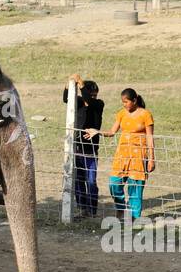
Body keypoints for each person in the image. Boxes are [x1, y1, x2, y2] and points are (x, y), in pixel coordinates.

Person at [86, 87, 154, 225]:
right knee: (114, 184)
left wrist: (152, 159)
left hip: (138, 156)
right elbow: (112, 132)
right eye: (123, 102)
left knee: (135, 187)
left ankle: (135, 218)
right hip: (121, 155)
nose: (124, 104)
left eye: (126, 101)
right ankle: (120, 207)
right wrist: (97, 132)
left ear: (134, 100)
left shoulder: (145, 115)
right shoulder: (121, 114)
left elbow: (150, 138)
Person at [63, 76, 104, 217]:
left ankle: (92, 210)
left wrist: (81, 85)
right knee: (78, 181)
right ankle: (82, 208)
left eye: (95, 94)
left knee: (91, 181)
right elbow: (65, 98)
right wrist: (69, 85)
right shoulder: (78, 103)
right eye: (91, 93)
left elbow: (89, 100)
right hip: (77, 149)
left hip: (91, 151)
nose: (93, 96)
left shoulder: (98, 104)